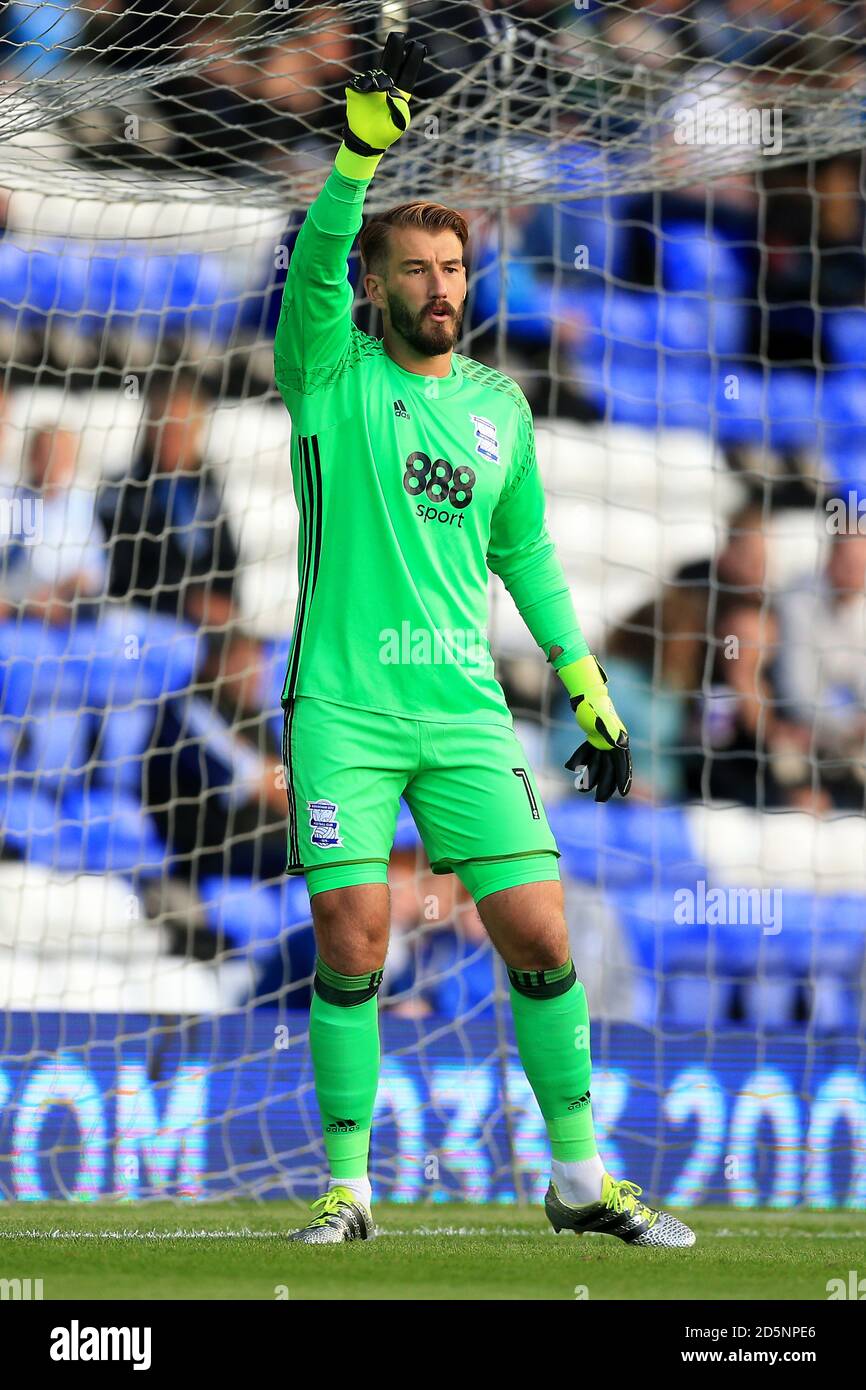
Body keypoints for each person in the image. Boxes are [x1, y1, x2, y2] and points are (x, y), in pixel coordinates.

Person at [276, 34, 693, 1248]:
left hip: (463, 710)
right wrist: (355, 159)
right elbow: (309, 268)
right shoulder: (326, 373)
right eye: (416, 270)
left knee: (540, 931)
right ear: (378, 285)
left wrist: (587, 688)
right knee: (354, 935)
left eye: (454, 266)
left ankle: (577, 1179)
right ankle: (348, 1192)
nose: (441, 286)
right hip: (343, 709)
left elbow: (528, 559)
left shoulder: (500, 406)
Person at [98, 367, 239, 625]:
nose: (171, 441)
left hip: (205, 624)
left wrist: (227, 606)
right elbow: (122, 575)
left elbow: (227, 561)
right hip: (147, 623)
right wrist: (189, 600)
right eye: (166, 430)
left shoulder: (206, 489)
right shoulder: (123, 491)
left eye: (181, 432)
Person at [0, 426, 105, 624]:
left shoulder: (81, 508)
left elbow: (94, 574)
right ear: (32, 457)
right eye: (47, 453)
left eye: (62, 454)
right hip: (14, 609)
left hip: (63, 611)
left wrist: (61, 593)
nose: (53, 462)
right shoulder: (10, 502)